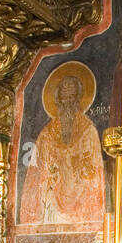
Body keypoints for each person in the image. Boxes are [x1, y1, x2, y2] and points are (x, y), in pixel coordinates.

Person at [21, 65, 105, 223]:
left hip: (81, 205)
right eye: (64, 96)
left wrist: (73, 169)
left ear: (78, 98)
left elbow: (94, 173)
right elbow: (36, 171)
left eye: (71, 97)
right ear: (58, 99)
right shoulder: (47, 134)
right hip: (53, 205)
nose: (67, 101)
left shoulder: (88, 130)